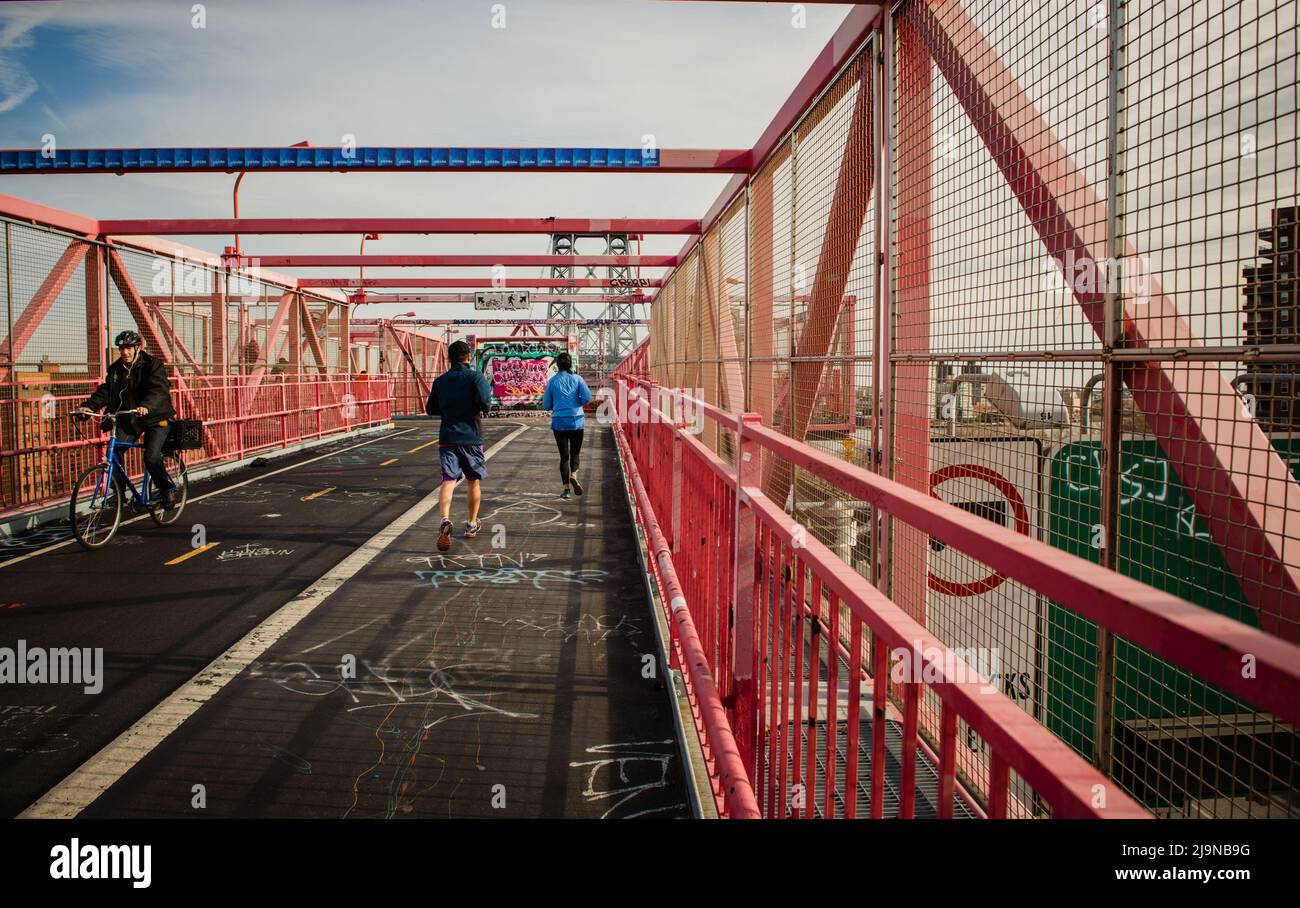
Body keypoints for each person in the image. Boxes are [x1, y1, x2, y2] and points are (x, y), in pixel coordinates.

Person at [75, 330, 180, 508]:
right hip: (132, 418)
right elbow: (106, 391)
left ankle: (167, 488)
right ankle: (119, 494)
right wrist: (89, 406)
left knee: (151, 456)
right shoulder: (116, 369)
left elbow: (158, 389)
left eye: (129, 348)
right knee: (114, 452)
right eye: (122, 348)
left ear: (138, 348)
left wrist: (147, 406)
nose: (125, 352)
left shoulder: (153, 365)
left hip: (156, 417)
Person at [425, 339, 493, 551]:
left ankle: (445, 520)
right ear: (468, 357)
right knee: (473, 481)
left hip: (447, 437)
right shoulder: (475, 377)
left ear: (449, 357)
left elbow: (431, 409)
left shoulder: (441, 381)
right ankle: (472, 525)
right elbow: (486, 404)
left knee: (448, 480)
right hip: (471, 436)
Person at [541, 351, 592, 500]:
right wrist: (577, 404)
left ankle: (566, 490)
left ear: (557, 365)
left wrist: (557, 405)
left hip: (559, 422)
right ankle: (574, 475)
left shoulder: (552, 381)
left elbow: (546, 405)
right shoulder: (577, 379)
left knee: (564, 456)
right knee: (575, 453)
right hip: (577, 421)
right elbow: (587, 398)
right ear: (570, 364)